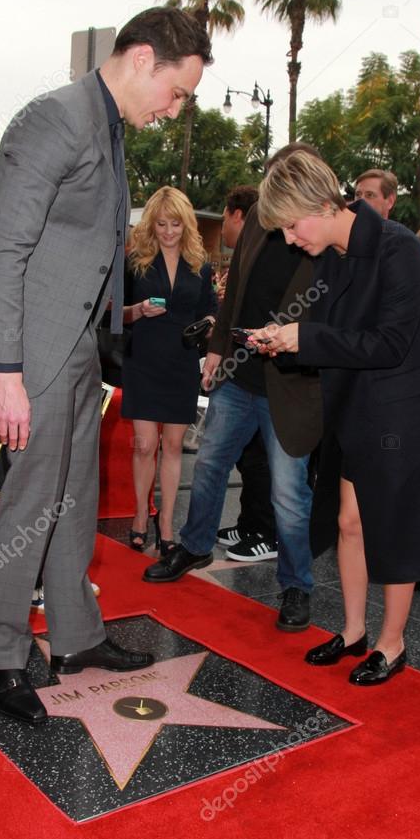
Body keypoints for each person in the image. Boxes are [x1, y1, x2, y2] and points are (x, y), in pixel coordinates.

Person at [0, 7, 212, 725]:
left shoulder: (106, 127)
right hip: (34, 349)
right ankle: (1, 653)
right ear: (141, 58)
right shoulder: (56, 119)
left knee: (75, 495)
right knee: (30, 502)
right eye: (178, 90)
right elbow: (4, 248)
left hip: (79, 348)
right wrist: (6, 369)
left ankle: (74, 636)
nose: (176, 107)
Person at [251, 150, 420, 685]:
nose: (288, 238)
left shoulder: (398, 248)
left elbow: (388, 342)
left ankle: (392, 643)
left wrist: (303, 337)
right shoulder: (331, 254)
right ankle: (354, 631)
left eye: (290, 224)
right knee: (349, 522)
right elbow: (330, 332)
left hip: (411, 413)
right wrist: (282, 337)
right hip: (361, 407)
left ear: (320, 203)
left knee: (393, 529)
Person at [143, 145, 323, 634]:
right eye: (270, 180)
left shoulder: (323, 240)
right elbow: (236, 291)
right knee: (210, 469)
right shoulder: (260, 225)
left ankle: (296, 586)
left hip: (290, 386)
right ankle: (195, 547)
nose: (273, 191)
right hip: (238, 376)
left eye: (282, 181)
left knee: (289, 493)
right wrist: (218, 350)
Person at [121, 186, 216, 555]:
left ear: (186, 224)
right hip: (143, 360)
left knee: (174, 445)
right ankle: (140, 514)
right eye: (161, 224)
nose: (168, 231)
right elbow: (116, 314)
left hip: (180, 362)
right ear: (151, 224)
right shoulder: (136, 262)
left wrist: (206, 322)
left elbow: (211, 310)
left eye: (175, 224)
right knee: (145, 446)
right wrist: (138, 309)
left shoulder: (200, 265)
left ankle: (166, 523)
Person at [215, 183, 279, 562]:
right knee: (251, 458)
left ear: (238, 215)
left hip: (268, 373)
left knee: (264, 461)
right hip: (245, 369)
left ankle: (267, 532)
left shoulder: (270, 245)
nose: (223, 226)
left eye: (224, 217)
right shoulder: (252, 251)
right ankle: (251, 522)